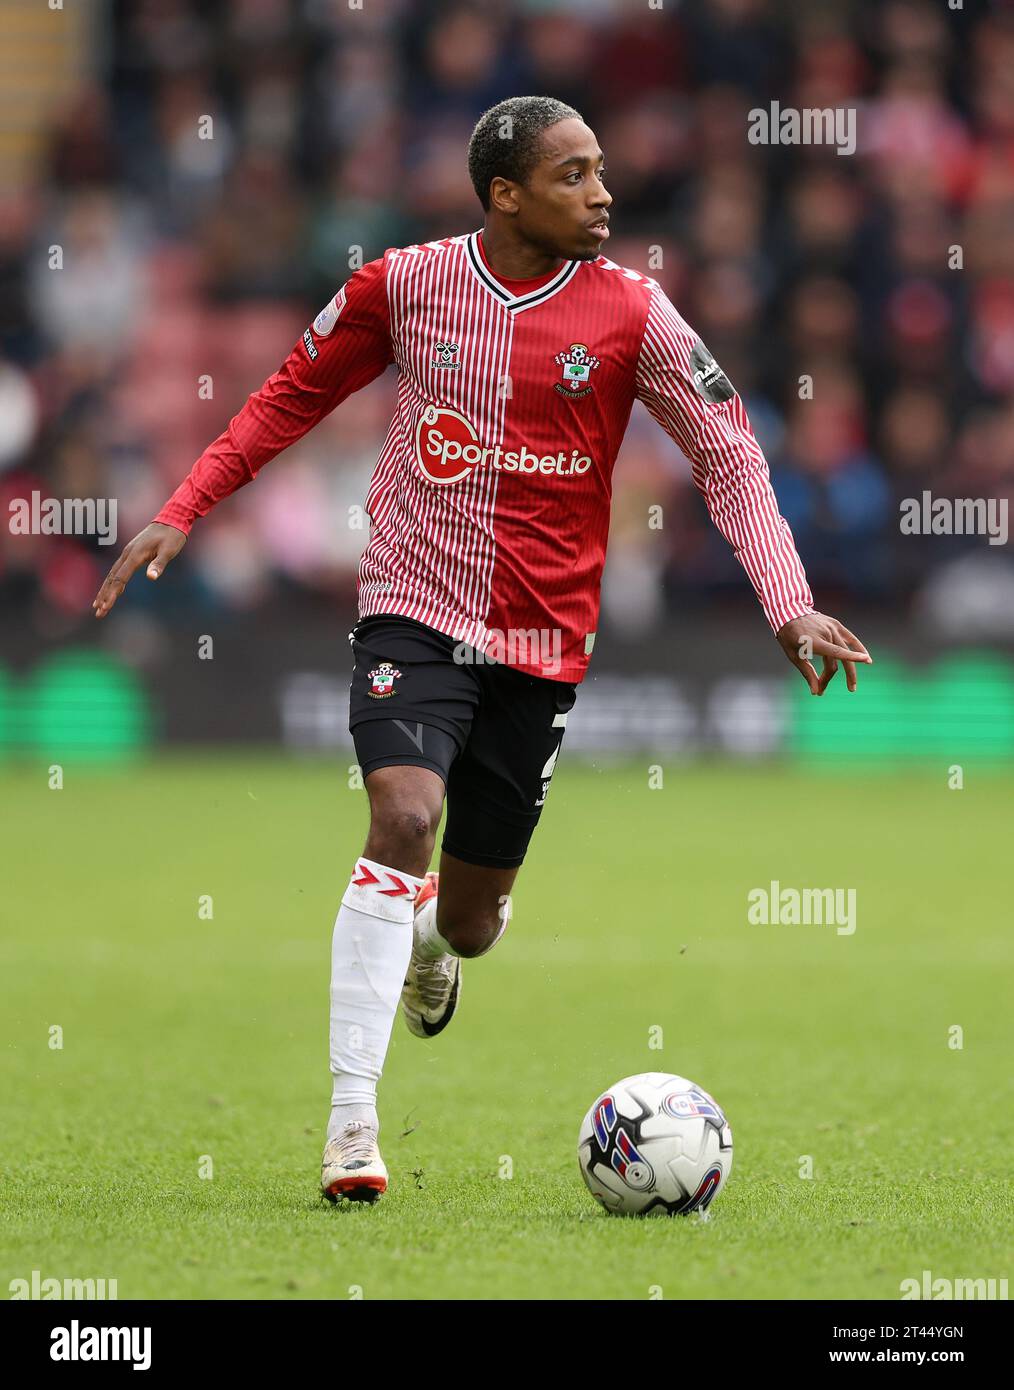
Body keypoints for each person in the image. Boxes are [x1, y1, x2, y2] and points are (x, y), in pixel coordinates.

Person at [92, 95, 872, 1204]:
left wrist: (787, 602)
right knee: (401, 813)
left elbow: (731, 453)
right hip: (413, 608)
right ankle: (353, 1126)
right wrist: (187, 502)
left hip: (542, 640)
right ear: (506, 194)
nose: (603, 193)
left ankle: (431, 943)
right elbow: (287, 395)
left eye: (601, 170)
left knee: (470, 918)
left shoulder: (636, 313)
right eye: (574, 175)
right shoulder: (403, 286)